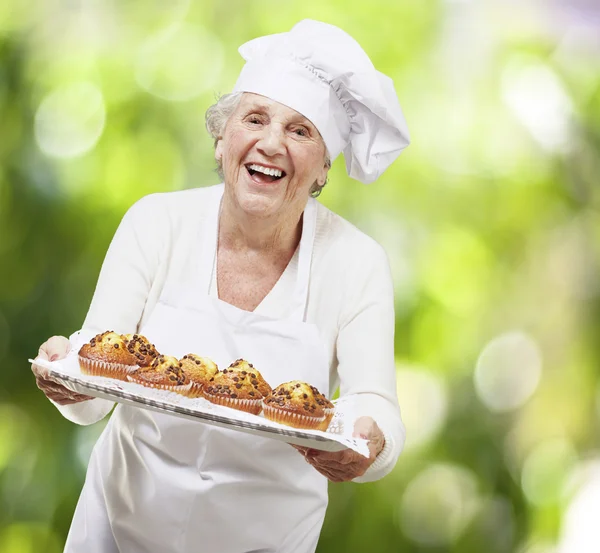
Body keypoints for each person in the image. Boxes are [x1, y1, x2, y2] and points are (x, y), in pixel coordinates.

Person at [31, 19, 410, 553]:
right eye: (255, 119)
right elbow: (97, 371)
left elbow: (375, 404)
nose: (272, 143)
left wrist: (373, 445)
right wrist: (68, 379)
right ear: (221, 139)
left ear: (323, 167)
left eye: (301, 131)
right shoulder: (156, 223)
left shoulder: (356, 263)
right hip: (117, 531)